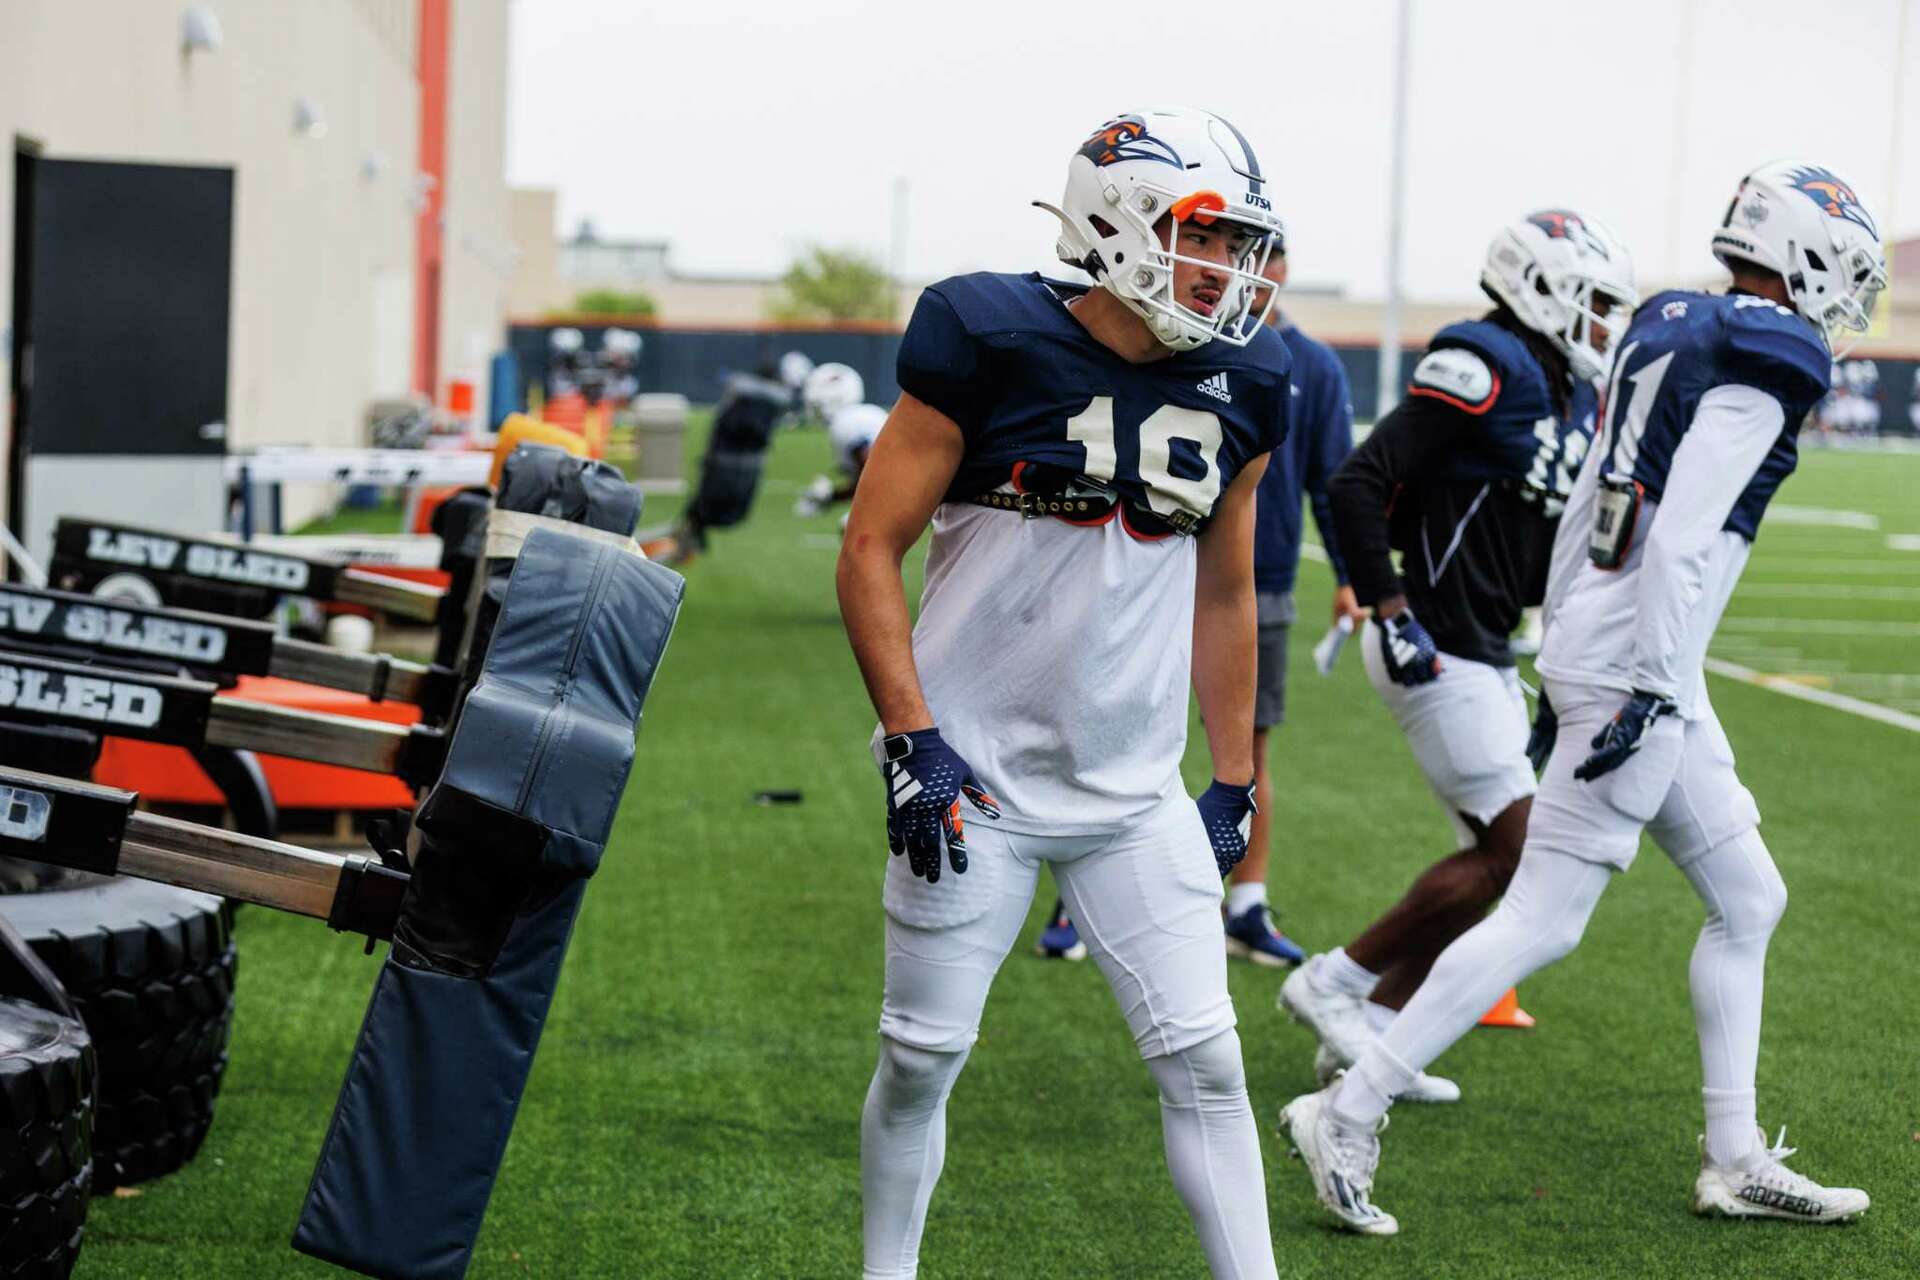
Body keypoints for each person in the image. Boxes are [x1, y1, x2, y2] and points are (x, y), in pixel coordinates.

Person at [1281, 161, 1885, 1236]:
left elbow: (1593, 506)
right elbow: (1685, 536)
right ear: (1805, 257)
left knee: (1749, 897)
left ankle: (1735, 1154)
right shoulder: (1770, 348)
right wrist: (1644, 681)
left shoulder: (1670, 319)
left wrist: (1580, 652)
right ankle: (1348, 1103)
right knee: (1542, 915)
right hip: (1642, 663)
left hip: (1625, 651)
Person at [839, 107, 1290, 1279]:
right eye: (1205, 236)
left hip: (1133, 791)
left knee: (1209, 1061)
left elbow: (1226, 589)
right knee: (924, 1055)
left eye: (1240, 243)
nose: (1229, 269)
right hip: (970, 771)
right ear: (1120, 222)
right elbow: (869, 545)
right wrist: (911, 733)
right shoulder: (988, 334)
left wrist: (1234, 773)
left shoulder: (1250, 380)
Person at [1278, 211, 1634, 1104]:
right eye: (1588, 301)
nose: (1599, 322)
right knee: (1520, 855)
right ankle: (1336, 983)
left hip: (1486, 645)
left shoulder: (1568, 389)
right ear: (1541, 287)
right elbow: (1358, 480)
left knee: (1497, 853)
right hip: (1434, 639)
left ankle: (1377, 1033)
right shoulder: (1487, 361)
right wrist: (1389, 605)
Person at [1225, 236, 1366, 966]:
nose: (1254, 272)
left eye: (1265, 258)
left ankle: (1245, 904)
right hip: (1161, 571)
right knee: (1119, 732)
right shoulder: (1183, 341)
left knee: (1249, 748)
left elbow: (1333, 480)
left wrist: (1349, 574)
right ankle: (1080, 901)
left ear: (1282, 271)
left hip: (1265, 581)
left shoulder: (1314, 365)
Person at [641, 361, 791, 566]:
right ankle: (673, 549)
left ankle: (681, 543)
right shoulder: (771, 399)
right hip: (743, 468)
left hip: (721, 463)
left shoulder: (742, 392)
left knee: (699, 514)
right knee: (713, 515)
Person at [795, 363, 887, 518]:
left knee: (850, 526)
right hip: (915, 489)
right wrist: (833, 496)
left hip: (909, 492)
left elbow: (872, 478)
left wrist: (831, 496)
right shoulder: (865, 414)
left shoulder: (847, 423)